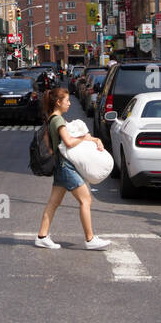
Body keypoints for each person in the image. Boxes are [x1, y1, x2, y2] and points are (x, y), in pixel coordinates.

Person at [36, 85, 110, 251]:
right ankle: (90, 239)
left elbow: (70, 140)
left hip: (61, 165)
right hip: (65, 166)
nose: (69, 103)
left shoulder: (53, 118)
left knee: (53, 203)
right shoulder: (58, 120)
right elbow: (68, 142)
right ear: (58, 102)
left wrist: (93, 139)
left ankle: (42, 236)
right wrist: (85, 138)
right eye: (67, 100)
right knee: (86, 200)